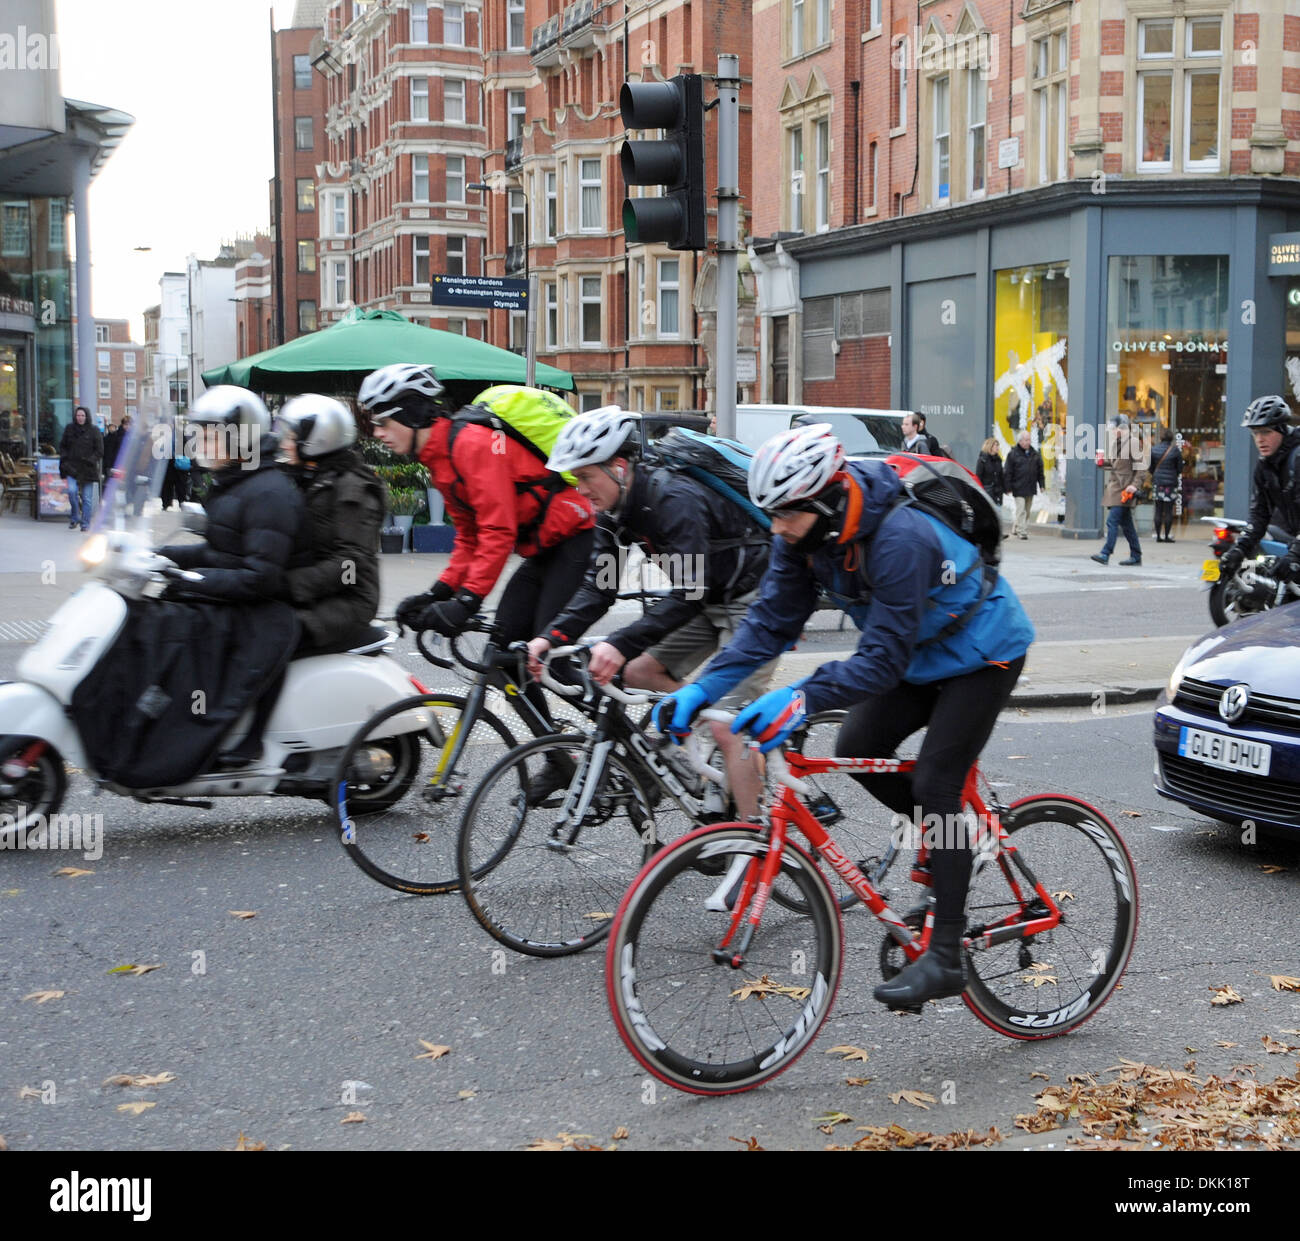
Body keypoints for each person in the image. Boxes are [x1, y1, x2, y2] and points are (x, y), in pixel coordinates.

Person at [656, 424, 1035, 1008]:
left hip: (982, 652)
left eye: (786, 516)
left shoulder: (899, 538)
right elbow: (768, 625)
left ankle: (946, 955)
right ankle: (953, 837)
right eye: (772, 516)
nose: (777, 529)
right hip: (918, 654)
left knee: (937, 781)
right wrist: (704, 687)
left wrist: (801, 697)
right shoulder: (804, 536)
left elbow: (880, 660)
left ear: (825, 502)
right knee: (860, 747)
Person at [525, 407, 773, 815]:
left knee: (728, 724)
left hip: (754, 599)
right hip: (710, 597)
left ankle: (751, 842)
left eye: (586, 476)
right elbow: (599, 587)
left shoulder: (674, 497)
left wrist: (619, 643)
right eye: (575, 479)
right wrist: (551, 636)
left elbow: (689, 590)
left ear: (619, 467)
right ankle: (703, 741)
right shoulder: (615, 512)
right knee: (640, 671)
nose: (580, 489)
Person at [358, 364, 596, 762]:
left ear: (412, 415)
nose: (377, 433)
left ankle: (619, 733)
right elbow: (469, 536)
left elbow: (497, 531)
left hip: (577, 540)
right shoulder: (439, 457)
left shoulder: (472, 444)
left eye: (382, 422)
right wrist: (437, 593)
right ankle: (560, 762)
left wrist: (467, 601)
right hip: (544, 549)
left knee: (548, 658)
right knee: (504, 659)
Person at [156, 385, 311, 767]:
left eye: (212, 435)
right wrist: (161, 555)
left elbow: (260, 576)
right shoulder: (236, 483)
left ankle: (218, 733)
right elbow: (220, 551)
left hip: (265, 606)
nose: (202, 443)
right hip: (245, 594)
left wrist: (196, 580)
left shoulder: (268, 493)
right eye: (201, 434)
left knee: (180, 627)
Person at [276, 394, 385, 650]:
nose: (284, 444)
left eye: (291, 437)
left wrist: (286, 585)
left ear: (316, 440)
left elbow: (350, 566)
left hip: (347, 603)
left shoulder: (352, 488)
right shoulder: (310, 477)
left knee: (264, 640)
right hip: (317, 595)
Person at [1218, 396, 1300, 587]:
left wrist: (1295, 555)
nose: (1260, 439)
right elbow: (1259, 515)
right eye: (1255, 433)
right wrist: (1238, 550)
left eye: (1266, 432)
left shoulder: (1297, 460)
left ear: (1281, 429)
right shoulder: (1264, 467)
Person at [1090, 414, 1149, 566]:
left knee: (1112, 521)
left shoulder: (1133, 443)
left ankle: (1105, 553)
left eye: (1115, 428)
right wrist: (1101, 463)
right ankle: (1136, 556)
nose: (1113, 431)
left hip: (1124, 490)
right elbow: (1115, 464)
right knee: (1127, 525)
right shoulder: (1117, 443)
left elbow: (1142, 467)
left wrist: (1135, 485)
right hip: (1116, 488)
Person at [58, 406, 102, 531]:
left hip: (88, 468)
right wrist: (65, 458)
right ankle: (74, 517)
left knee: (87, 498)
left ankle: (85, 523)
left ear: (86, 416)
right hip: (72, 467)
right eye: (78, 415)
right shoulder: (69, 429)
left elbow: (99, 450)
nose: (80, 418)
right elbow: (62, 446)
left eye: (82, 415)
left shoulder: (94, 430)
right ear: (75, 416)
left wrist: (91, 460)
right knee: (72, 492)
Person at [1004, 430, 1043, 540]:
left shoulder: (1034, 454)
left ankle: (1016, 527)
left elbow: (1040, 470)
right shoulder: (1013, 454)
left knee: (1027, 510)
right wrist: (1008, 487)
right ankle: (1022, 531)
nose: (1028, 442)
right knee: (1021, 509)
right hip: (1018, 486)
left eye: (1029, 439)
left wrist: (1042, 484)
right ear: (1020, 441)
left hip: (1030, 487)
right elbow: (1008, 472)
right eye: (1026, 440)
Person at [1149, 429, 1183, 543]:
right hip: (1170, 484)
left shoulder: (1154, 450)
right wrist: (1173, 474)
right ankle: (1167, 536)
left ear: (1161, 438)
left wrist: (1156, 474)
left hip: (1158, 482)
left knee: (1158, 510)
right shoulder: (1175, 450)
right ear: (1172, 438)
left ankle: (1158, 536)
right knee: (1168, 510)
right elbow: (1180, 468)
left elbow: (1150, 467)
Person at [975, 436, 1005, 537]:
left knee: (998, 512)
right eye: (996, 445)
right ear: (990, 446)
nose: (997, 448)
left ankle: (997, 533)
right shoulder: (982, 460)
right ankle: (988, 533)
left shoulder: (998, 460)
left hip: (997, 491)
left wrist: (1004, 488)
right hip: (987, 490)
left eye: (998, 446)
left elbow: (1001, 475)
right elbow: (978, 476)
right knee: (988, 513)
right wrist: (980, 490)